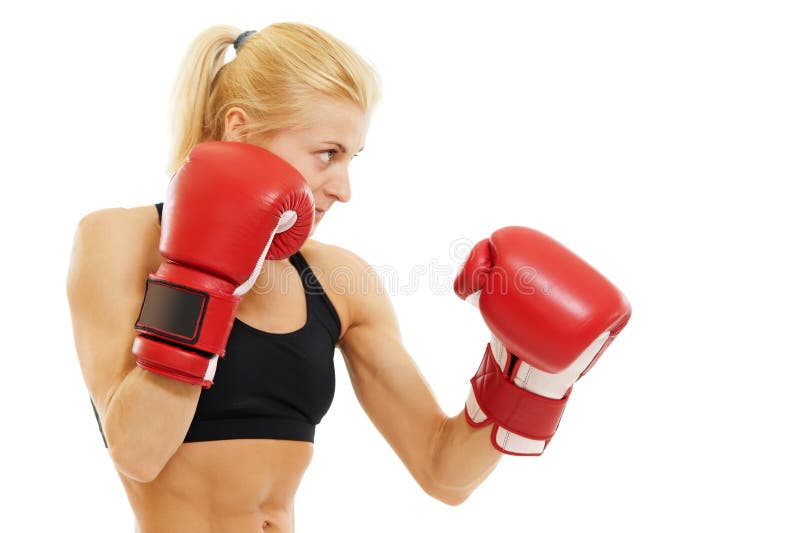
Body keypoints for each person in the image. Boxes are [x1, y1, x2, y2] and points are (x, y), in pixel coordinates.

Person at [66, 22, 631, 533]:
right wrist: (204, 271)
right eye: (326, 153)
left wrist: (527, 379)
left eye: (353, 157)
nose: (343, 186)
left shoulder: (337, 281)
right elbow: (138, 452)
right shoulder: (120, 241)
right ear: (239, 130)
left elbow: (442, 471)